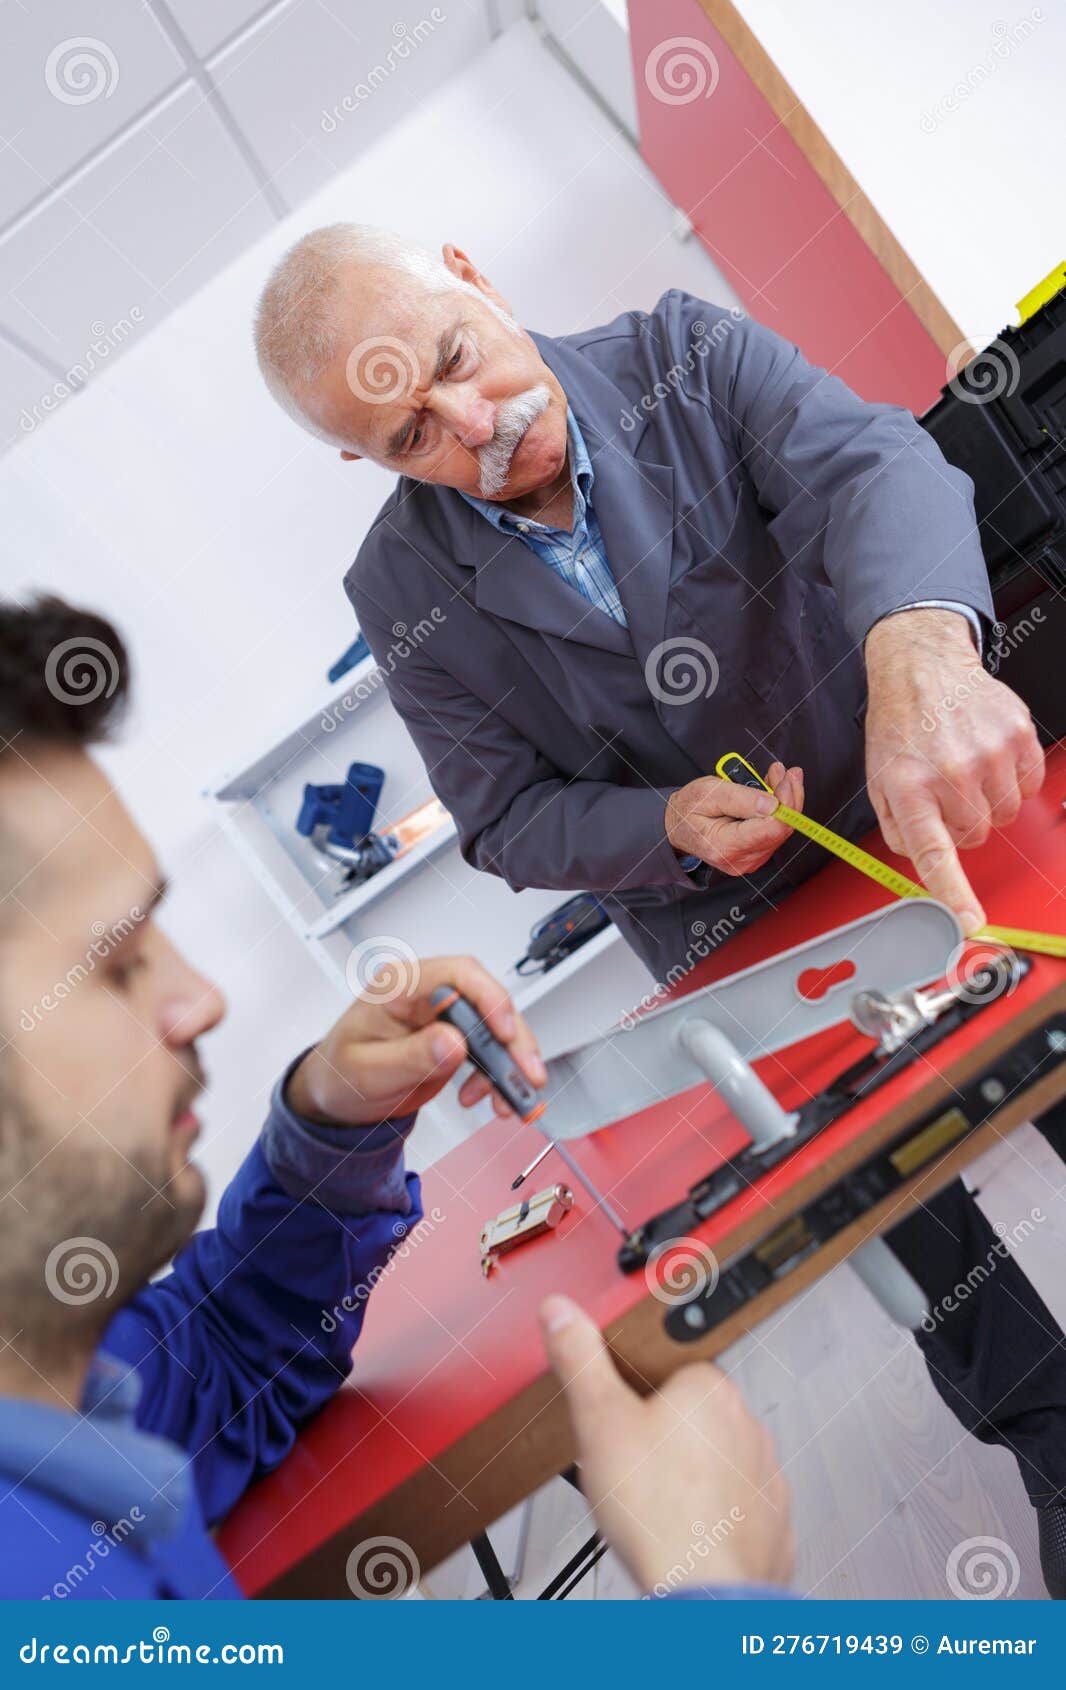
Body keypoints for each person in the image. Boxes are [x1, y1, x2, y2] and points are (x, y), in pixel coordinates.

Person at [252, 226, 1065, 1593]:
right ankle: (1047, 1438)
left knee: (1039, 1039)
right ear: (365, 464)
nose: (473, 427)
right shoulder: (396, 592)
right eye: (409, 438)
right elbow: (504, 815)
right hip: (719, 934)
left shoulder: (679, 352)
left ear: (472, 272)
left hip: (912, 815)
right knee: (887, 1206)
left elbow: (870, 465)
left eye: (456, 359)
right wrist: (662, 826)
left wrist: (921, 643)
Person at [0, 594, 789, 1601]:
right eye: (114, 964)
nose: (201, 999)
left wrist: (329, 1126)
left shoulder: (57, 1376)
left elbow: (225, 1350)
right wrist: (717, 1599)